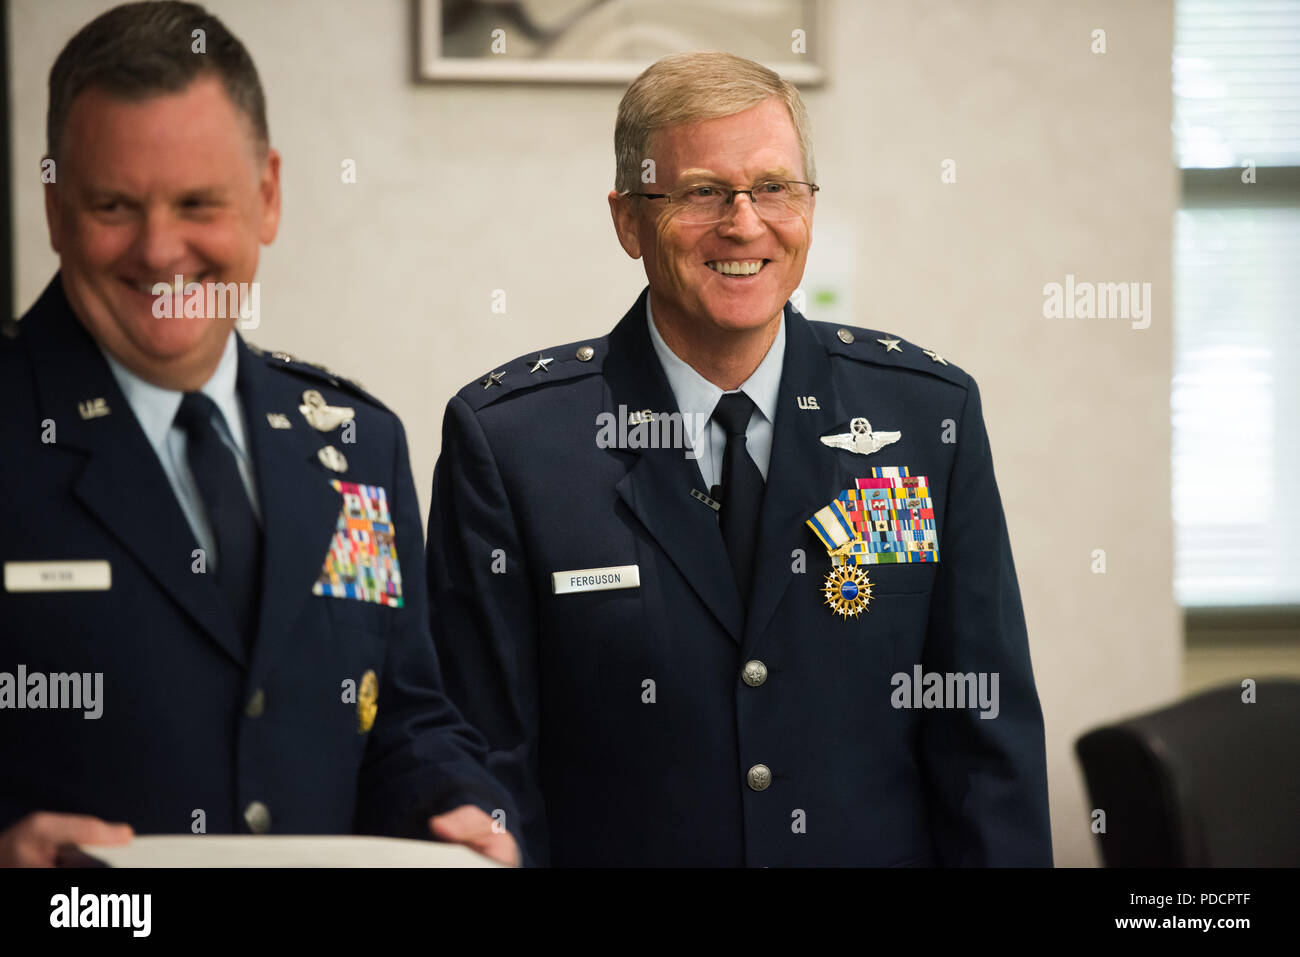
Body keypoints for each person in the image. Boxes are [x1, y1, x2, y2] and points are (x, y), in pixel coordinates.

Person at [425, 51, 1052, 866]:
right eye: (701, 192)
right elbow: (485, 761)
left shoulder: (928, 416)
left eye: (774, 187)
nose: (744, 223)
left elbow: (985, 744)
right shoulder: (512, 445)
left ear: (809, 209)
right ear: (627, 220)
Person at [0, 1, 518, 867]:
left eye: (199, 202)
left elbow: (401, 714)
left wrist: (458, 806)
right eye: (114, 205)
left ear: (267, 196)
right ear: (55, 208)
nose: (162, 250)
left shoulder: (355, 445)